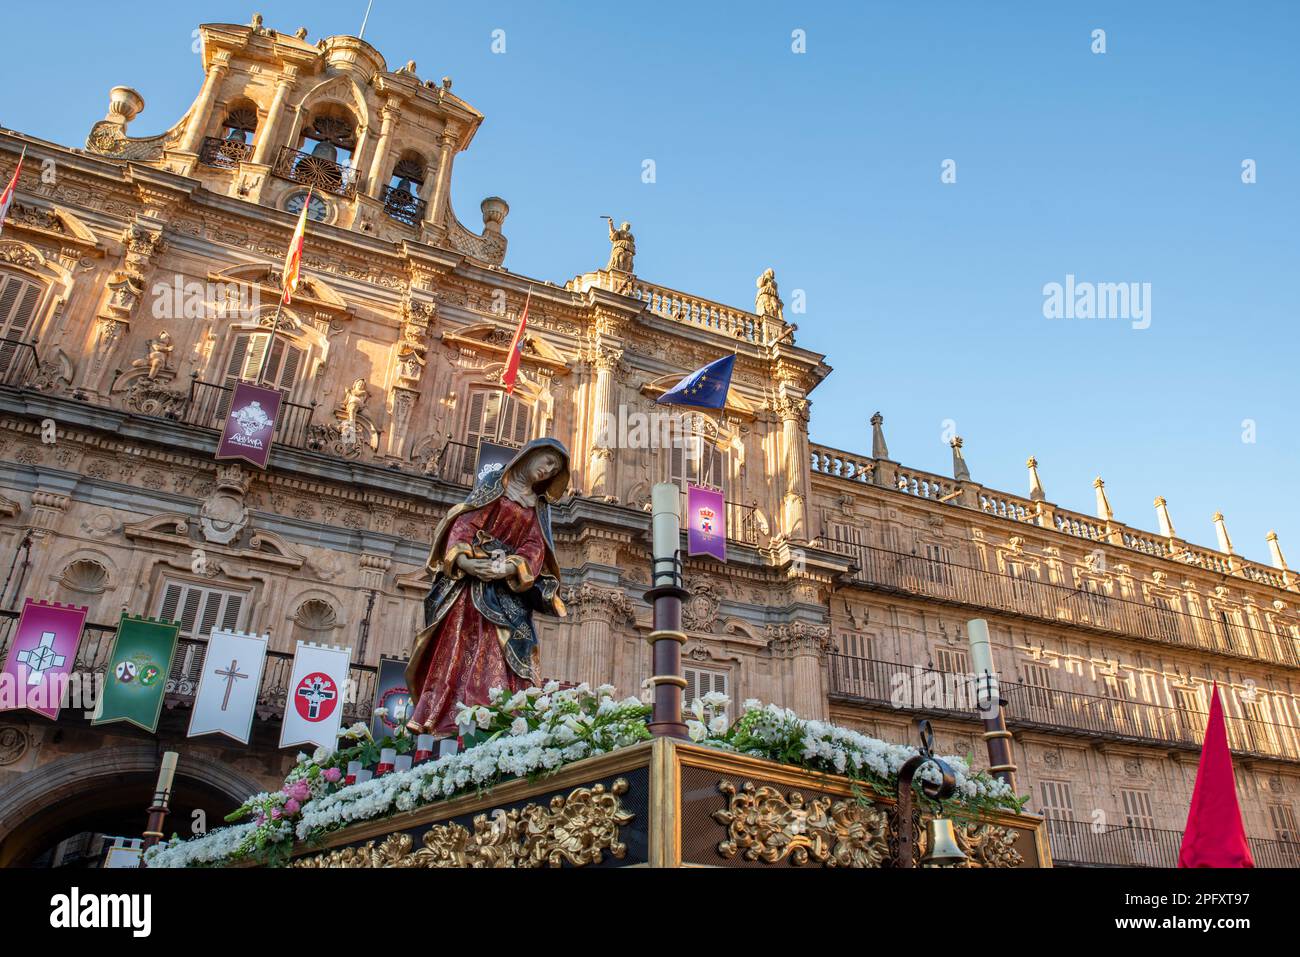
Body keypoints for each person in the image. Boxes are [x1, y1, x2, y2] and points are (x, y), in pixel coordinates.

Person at [405, 437, 570, 738]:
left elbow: (535, 547)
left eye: (554, 469)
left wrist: (511, 566)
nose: (547, 470)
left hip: (507, 591)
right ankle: (449, 713)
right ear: (529, 456)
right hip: (472, 588)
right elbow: (464, 525)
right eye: (546, 461)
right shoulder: (496, 485)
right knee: (461, 644)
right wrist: (466, 562)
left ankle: (500, 713)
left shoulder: (539, 507)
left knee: (507, 647)